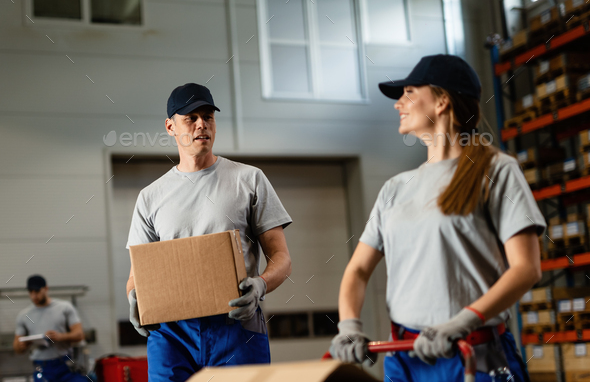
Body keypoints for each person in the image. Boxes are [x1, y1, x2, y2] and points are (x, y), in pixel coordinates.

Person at [329, 55, 545, 381]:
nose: (398, 104)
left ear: (442, 100)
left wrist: (462, 322)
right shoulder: (395, 188)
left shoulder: (496, 170)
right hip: (404, 360)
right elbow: (358, 270)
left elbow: (526, 268)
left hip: (472, 355)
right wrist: (348, 326)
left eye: (409, 92)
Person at [126, 83, 293, 381]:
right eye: (191, 117)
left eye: (208, 116)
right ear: (170, 126)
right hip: (172, 333)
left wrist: (260, 286)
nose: (202, 123)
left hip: (236, 324)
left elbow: (281, 257)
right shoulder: (150, 197)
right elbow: (137, 276)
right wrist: (134, 299)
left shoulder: (249, 180)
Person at [14, 275, 86, 382]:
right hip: (42, 368)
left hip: (65, 365)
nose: (34, 295)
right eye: (31, 292)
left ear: (46, 289)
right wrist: (22, 345)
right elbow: (17, 347)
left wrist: (61, 336)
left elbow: (79, 334)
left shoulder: (64, 307)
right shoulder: (24, 315)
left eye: (37, 291)